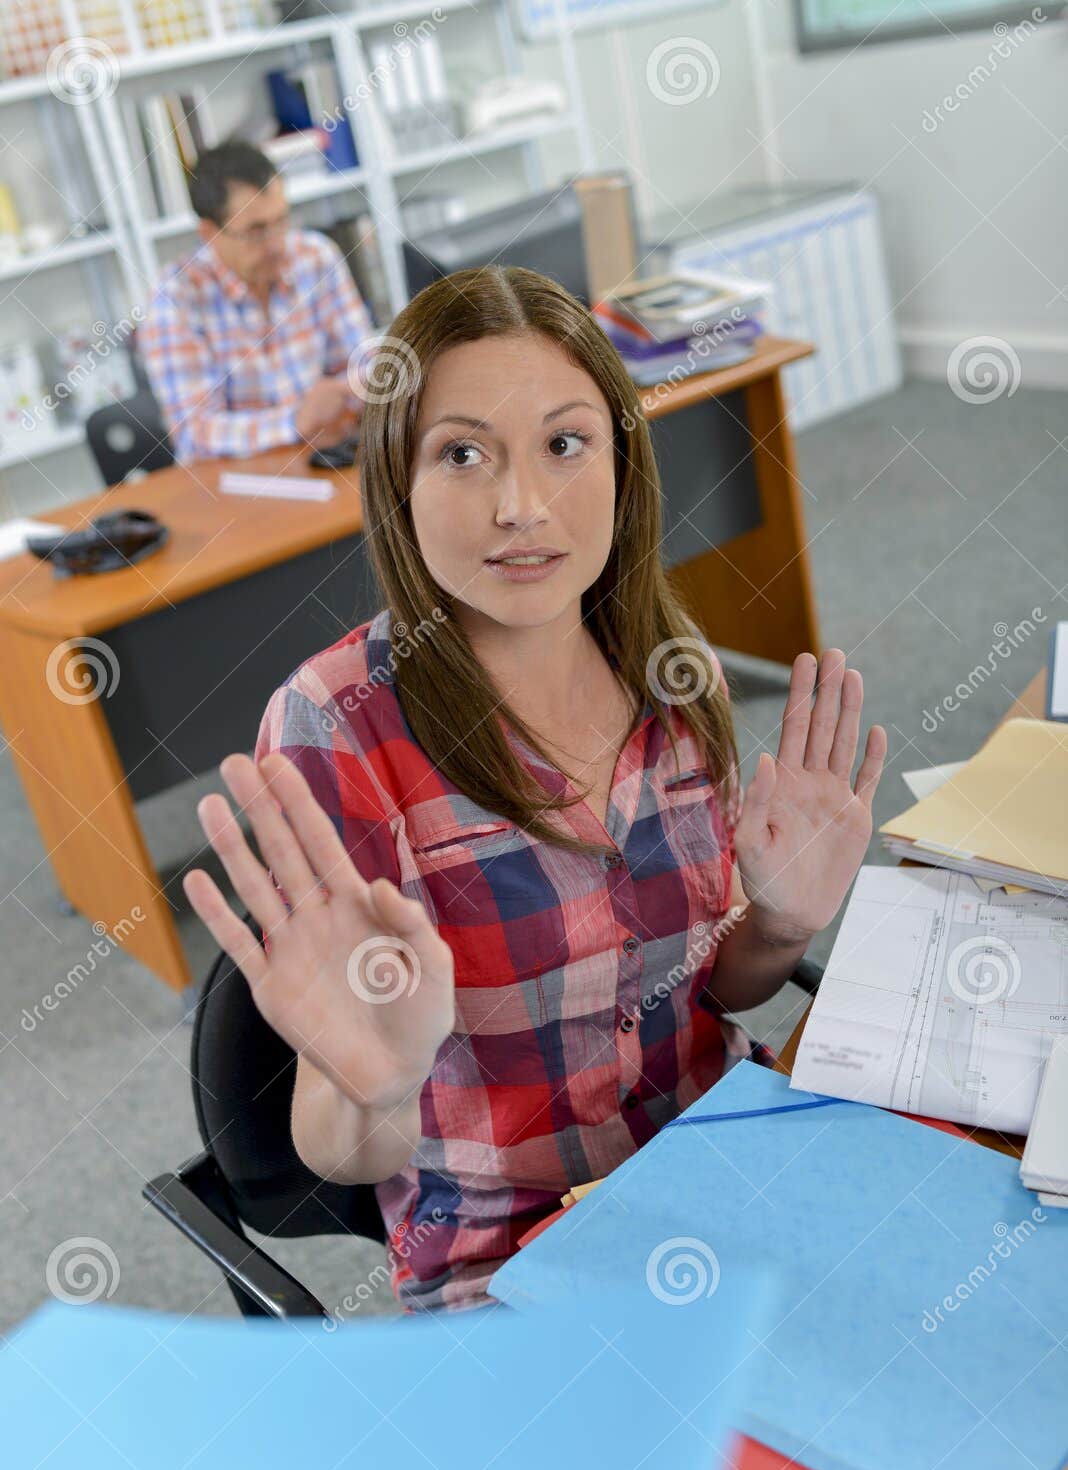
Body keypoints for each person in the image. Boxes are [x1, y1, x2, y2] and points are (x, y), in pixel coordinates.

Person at [182, 264, 887, 1315]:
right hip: (514, 1268)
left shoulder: (663, 664)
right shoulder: (337, 723)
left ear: (620, 460)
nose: (522, 506)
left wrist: (777, 928)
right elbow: (342, 1147)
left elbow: (709, 994)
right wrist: (369, 1083)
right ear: (398, 481)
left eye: (565, 444)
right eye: (462, 453)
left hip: (724, 1173)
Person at [138, 140, 375, 462]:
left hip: (325, 456)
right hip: (237, 484)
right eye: (256, 230)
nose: (277, 243)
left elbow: (363, 364)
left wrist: (356, 388)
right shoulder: (176, 298)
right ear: (209, 233)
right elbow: (195, 433)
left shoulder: (315, 256)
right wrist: (296, 420)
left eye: (282, 220)